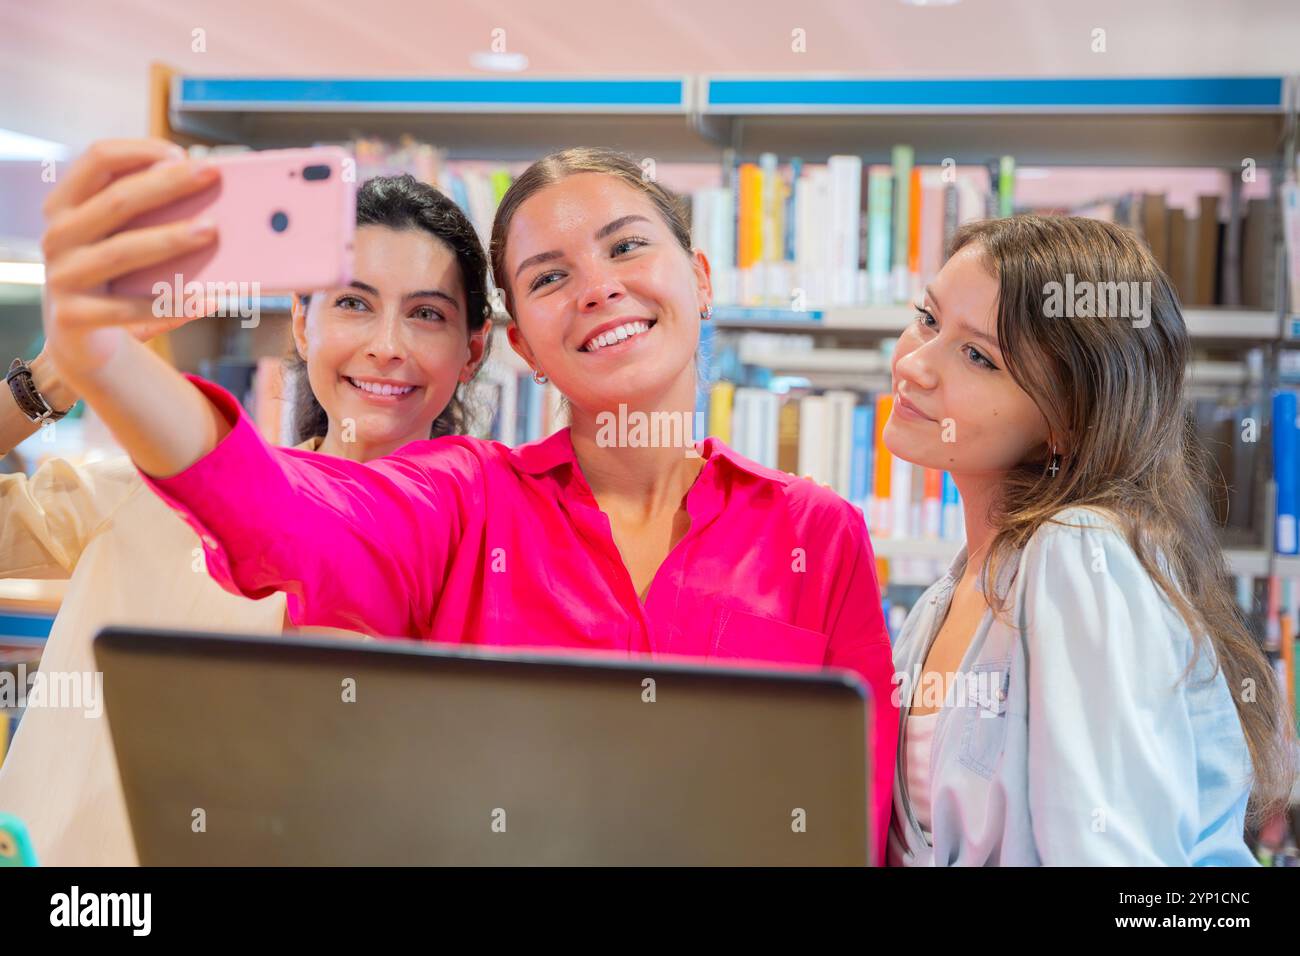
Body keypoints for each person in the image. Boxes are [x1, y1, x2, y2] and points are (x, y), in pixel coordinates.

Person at [39, 144, 899, 862]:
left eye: (628, 247)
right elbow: (280, 513)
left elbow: (850, 827)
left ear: (700, 279)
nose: (598, 287)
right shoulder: (467, 498)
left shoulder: (817, 533)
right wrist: (105, 357)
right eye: (551, 274)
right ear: (520, 342)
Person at [0, 149, 492, 865]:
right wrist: (56, 372)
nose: (387, 347)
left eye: (425, 314)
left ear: (472, 351)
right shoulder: (151, 488)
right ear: (302, 323)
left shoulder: (485, 559)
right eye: (353, 302)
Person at [884, 214, 1296, 865]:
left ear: (1066, 423)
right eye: (928, 319)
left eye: (977, 356)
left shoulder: (1078, 553)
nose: (913, 363)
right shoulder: (947, 596)